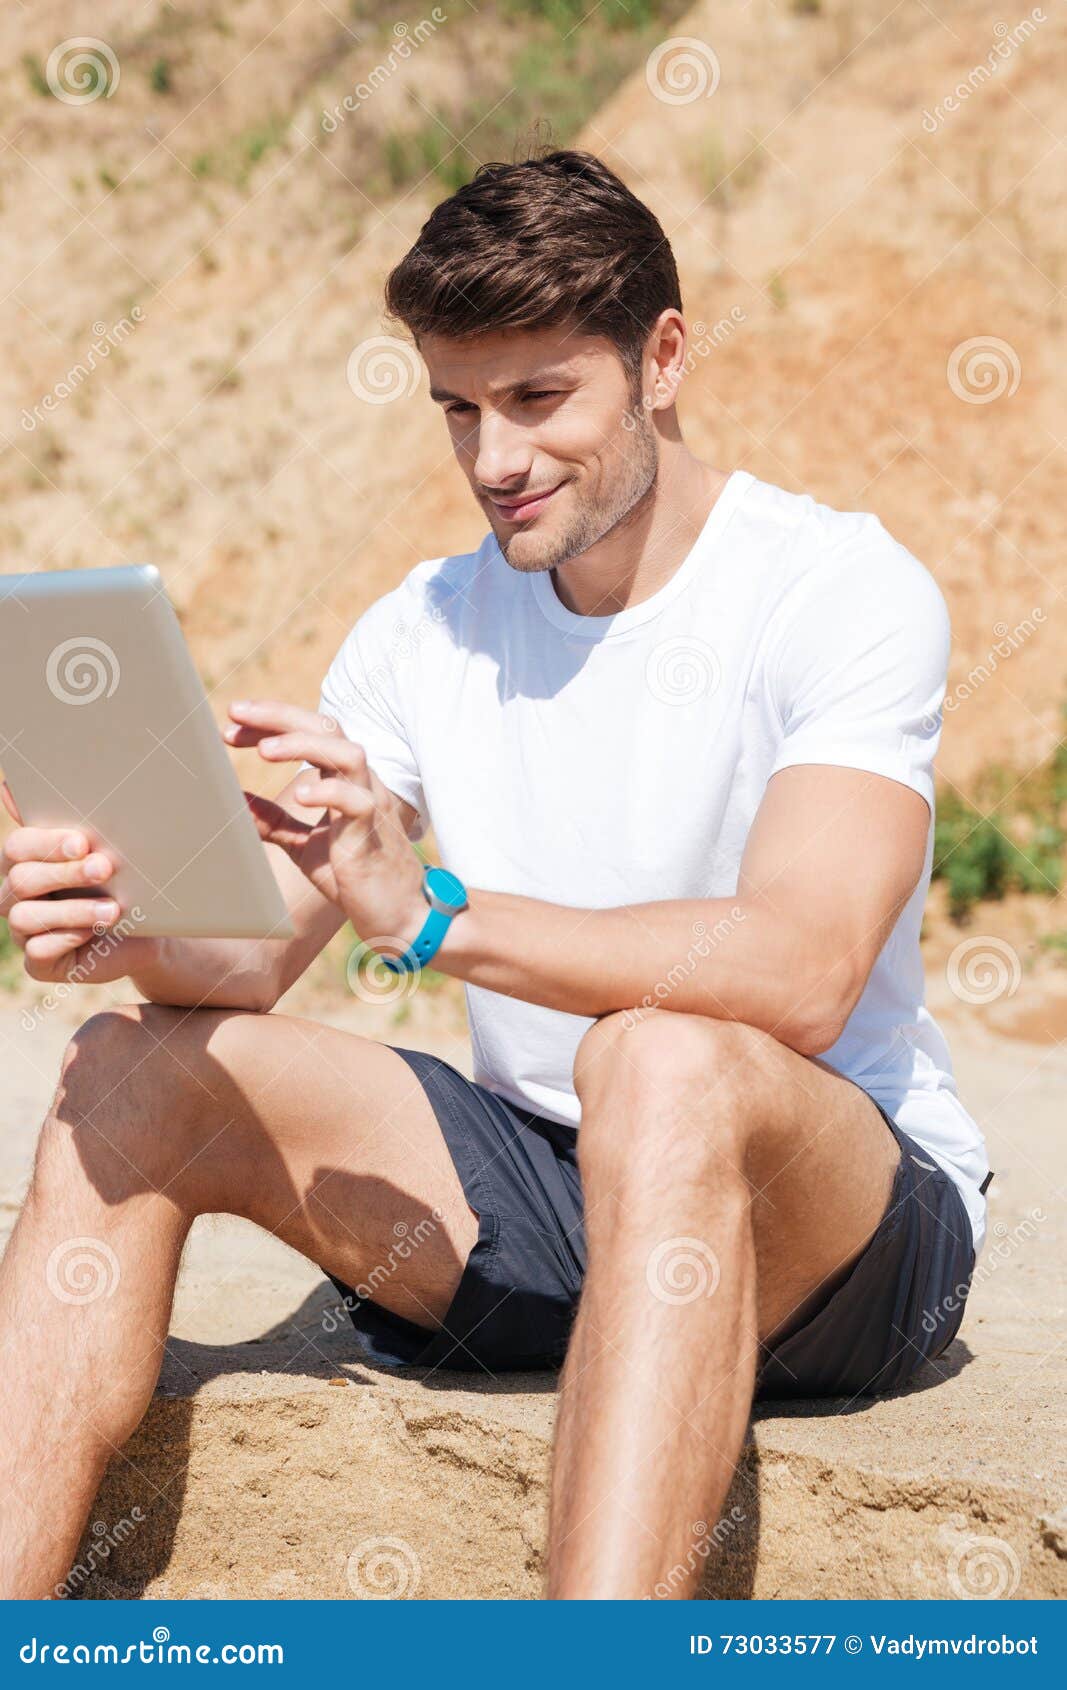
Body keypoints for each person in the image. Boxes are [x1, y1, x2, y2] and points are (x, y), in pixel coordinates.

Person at [0, 149, 988, 1600]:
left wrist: (436, 912)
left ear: (662, 358)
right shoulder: (425, 627)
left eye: (539, 400)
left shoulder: (839, 588)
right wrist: (128, 923)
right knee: (127, 1067)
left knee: (659, 1064)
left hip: (835, 1223)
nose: (495, 461)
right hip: (549, 1196)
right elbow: (251, 961)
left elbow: (806, 965)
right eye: (460, 410)